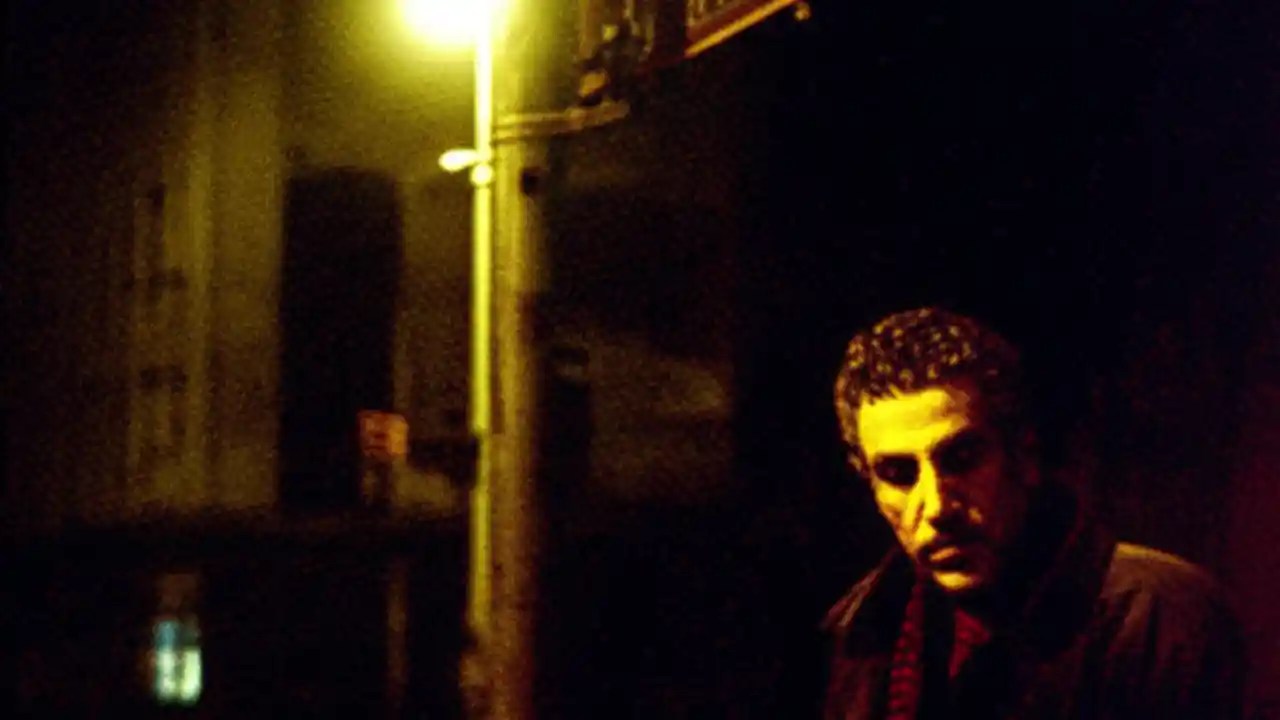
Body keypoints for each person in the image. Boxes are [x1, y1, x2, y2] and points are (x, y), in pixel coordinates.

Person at [822, 307, 1245, 719]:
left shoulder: (1160, 615)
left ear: (1023, 455)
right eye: (898, 473)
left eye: (963, 457)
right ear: (871, 485)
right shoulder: (857, 633)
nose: (936, 506)